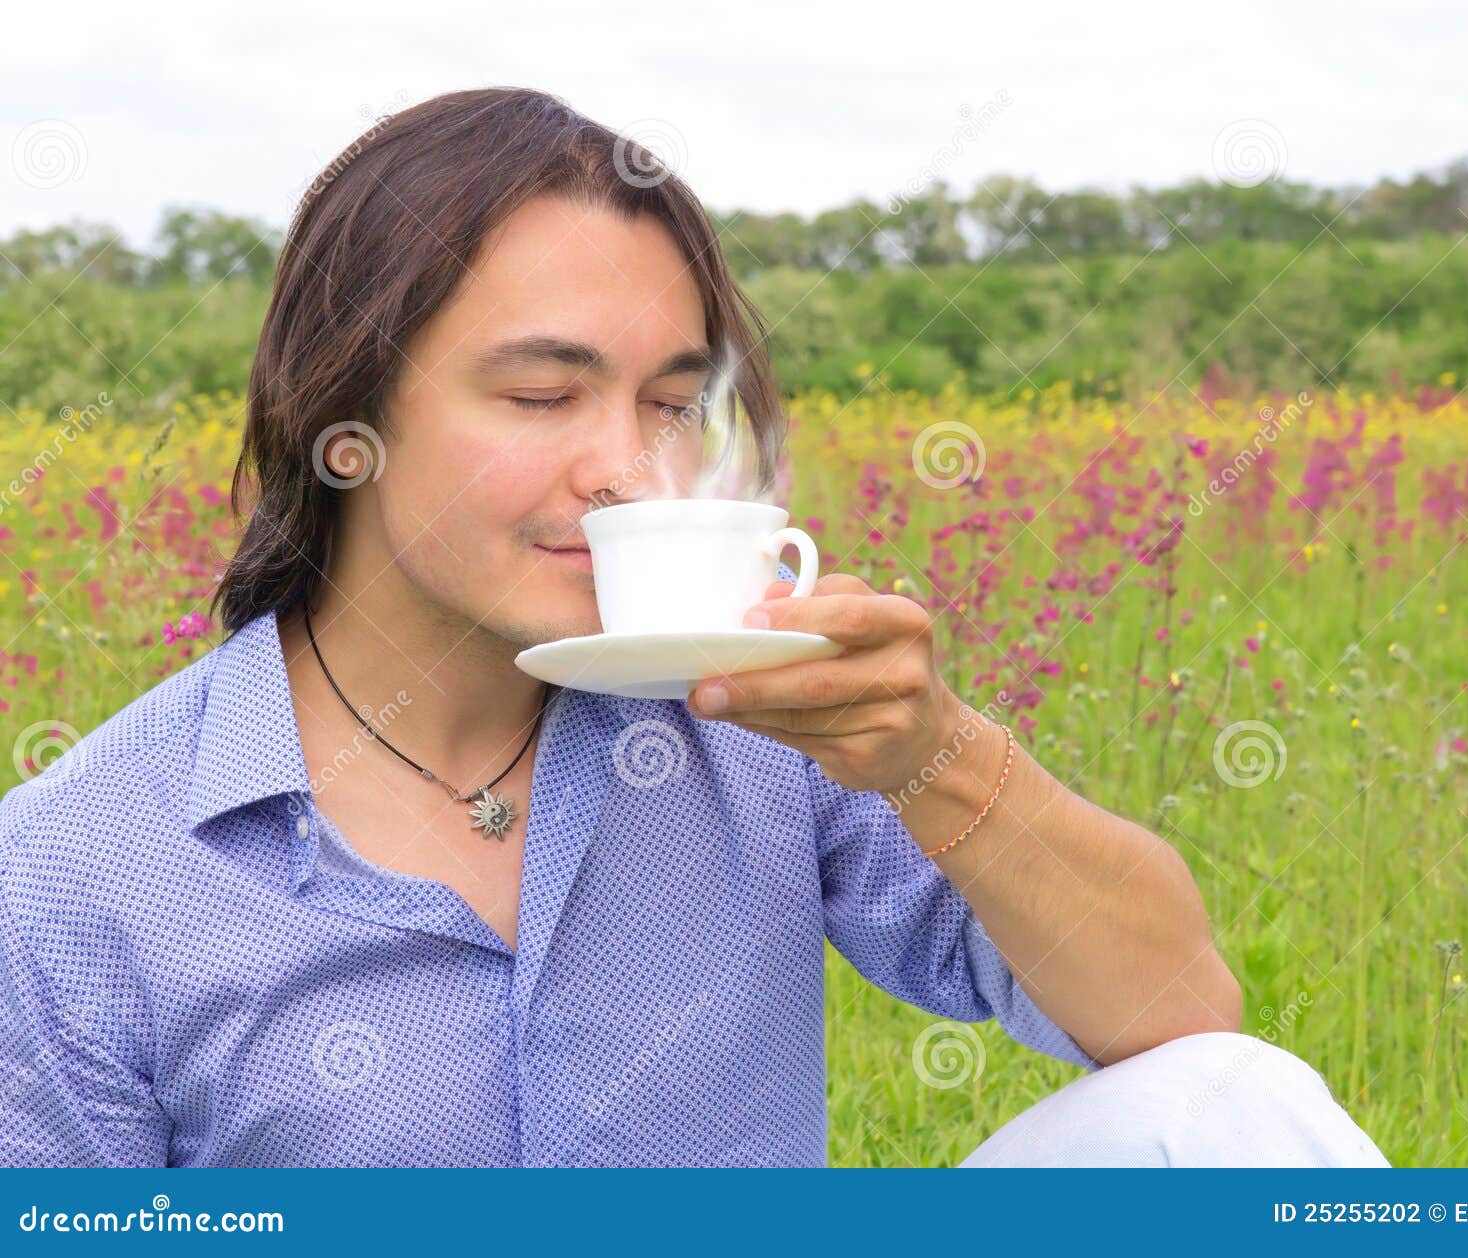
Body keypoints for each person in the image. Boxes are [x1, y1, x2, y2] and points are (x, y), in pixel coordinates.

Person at [0, 88, 1386, 1168]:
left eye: (671, 403)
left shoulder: (755, 723)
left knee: (1229, 1107)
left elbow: (1180, 1015)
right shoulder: (77, 873)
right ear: (342, 417)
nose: (628, 465)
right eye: (544, 395)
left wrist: (934, 749)